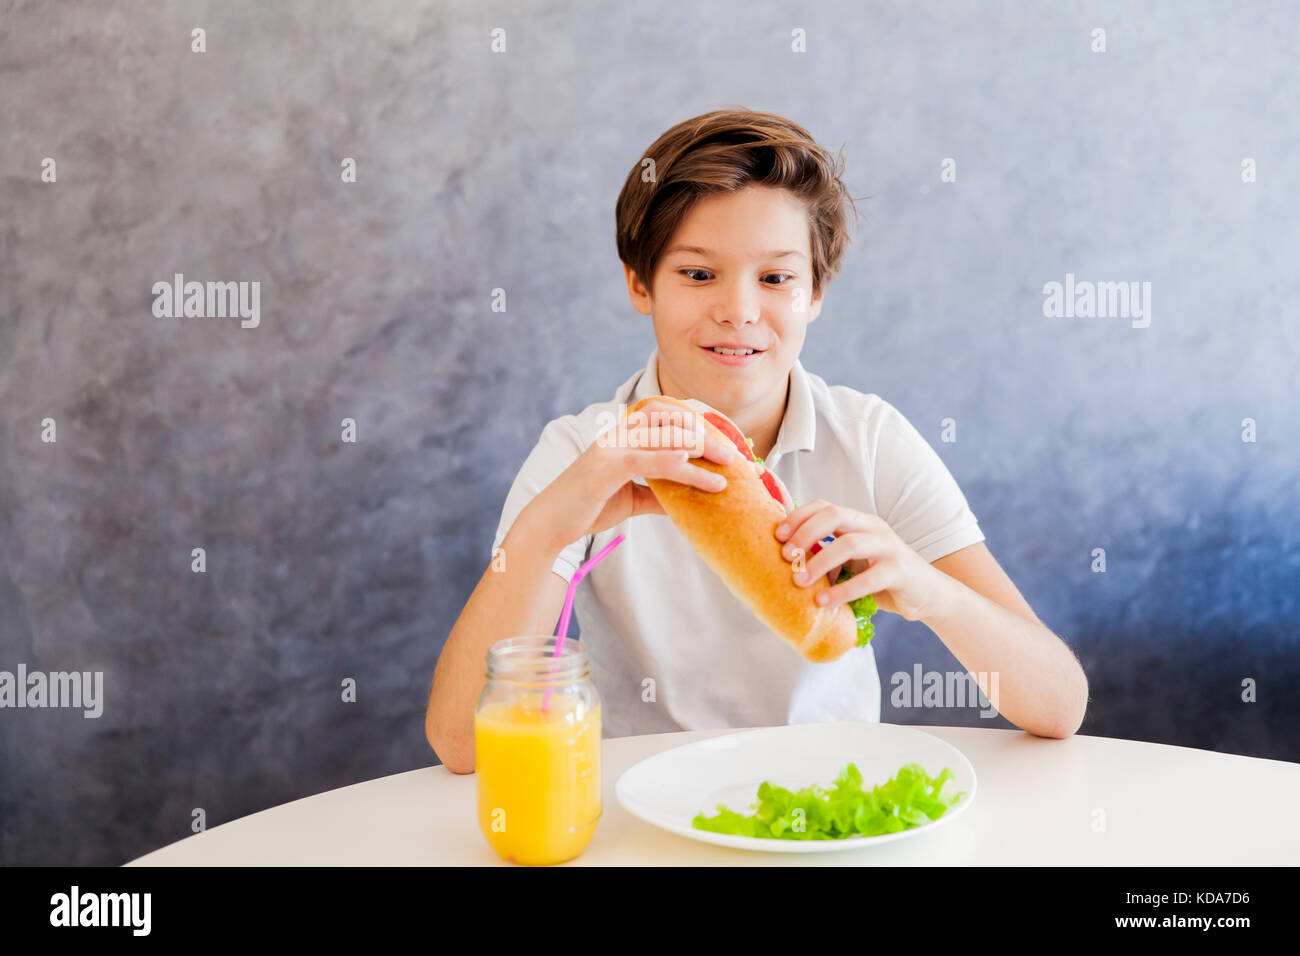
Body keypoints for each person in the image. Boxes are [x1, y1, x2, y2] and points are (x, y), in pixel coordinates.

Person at [426, 108, 1088, 773]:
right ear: (638, 283)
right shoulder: (582, 452)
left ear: (817, 292)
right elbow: (461, 745)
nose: (739, 310)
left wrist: (927, 590)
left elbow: (1059, 705)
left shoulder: (870, 439)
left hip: (831, 808)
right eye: (697, 273)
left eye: (776, 279)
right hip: (644, 817)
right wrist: (549, 527)